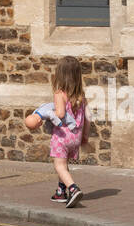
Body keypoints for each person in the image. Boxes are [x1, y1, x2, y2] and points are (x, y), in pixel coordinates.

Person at [24, 57, 88, 207]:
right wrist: (84, 136)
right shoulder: (81, 96)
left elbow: (59, 114)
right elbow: (87, 118)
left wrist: (49, 113)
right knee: (64, 163)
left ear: (59, 75)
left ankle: (73, 188)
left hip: (62, 137)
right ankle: (61, 192)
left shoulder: (60, 94)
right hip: (76, 136)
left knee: (59, 165)